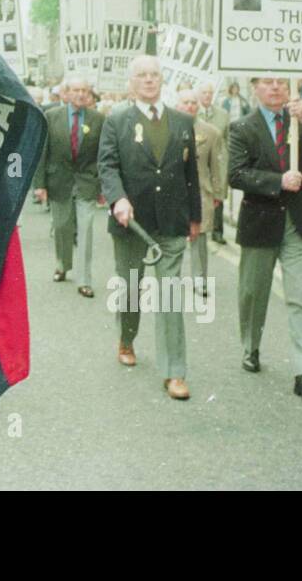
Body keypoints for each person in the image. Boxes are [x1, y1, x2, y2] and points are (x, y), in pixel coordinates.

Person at [229, 77, 302, 403]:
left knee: (301, 296)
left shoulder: (299, 123)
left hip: (298, 224)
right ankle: (250, 347)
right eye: (268, 82)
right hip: (260, 222)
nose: (276, 88)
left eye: (281, 82)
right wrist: (279, 180)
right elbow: (235, 174)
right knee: (253, 293)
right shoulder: (242, 127)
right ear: (255, 88)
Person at [97, 56, 200, 400]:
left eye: (154, 75)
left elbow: (191, 176)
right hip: (132, 222)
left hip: (171, 221)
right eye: (142, 75)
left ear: (162, 80)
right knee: (130, 290)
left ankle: (174, 372)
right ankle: (127, 337)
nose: (149, 80)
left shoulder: (183, 121)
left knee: (170, 294)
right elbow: (107, 165)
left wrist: (195, 217)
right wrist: (118, 199)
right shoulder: (117, 120)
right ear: (131, 82)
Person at [32, 76, 106, 297]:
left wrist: (102, 188)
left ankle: (84, 279)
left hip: (87, 182)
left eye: (84, 90)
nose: (81, 94)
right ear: (66, 93)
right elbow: (42, 152)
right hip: (59, 181)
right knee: (62, 227)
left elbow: (103, 155)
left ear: (90, 94)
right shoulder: (51, 116)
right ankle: (63, 264)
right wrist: (40, 185)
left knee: (86, 229)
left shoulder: (98, 119)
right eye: (76, 90)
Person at [176, 89, 225, 298]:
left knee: (200, 236)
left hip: (202, 191)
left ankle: (200, 280)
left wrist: (218, 193)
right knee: (174, 238)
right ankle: (172, 277)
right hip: (175, 191)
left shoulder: (211, 132)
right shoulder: (168, 128)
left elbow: (217, 165)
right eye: (185, 102)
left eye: (193, 102)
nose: (190, 106)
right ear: (177, 105)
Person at [196, 82, 230, 244]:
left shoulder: (223, 115)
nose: (207, 96)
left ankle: (217, 231)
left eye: (210, 93)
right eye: (204, 93)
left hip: (218, 160)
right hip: (201, 159)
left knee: (219, 192)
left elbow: (227, 139)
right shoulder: (193, 113)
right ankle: (200, 225)